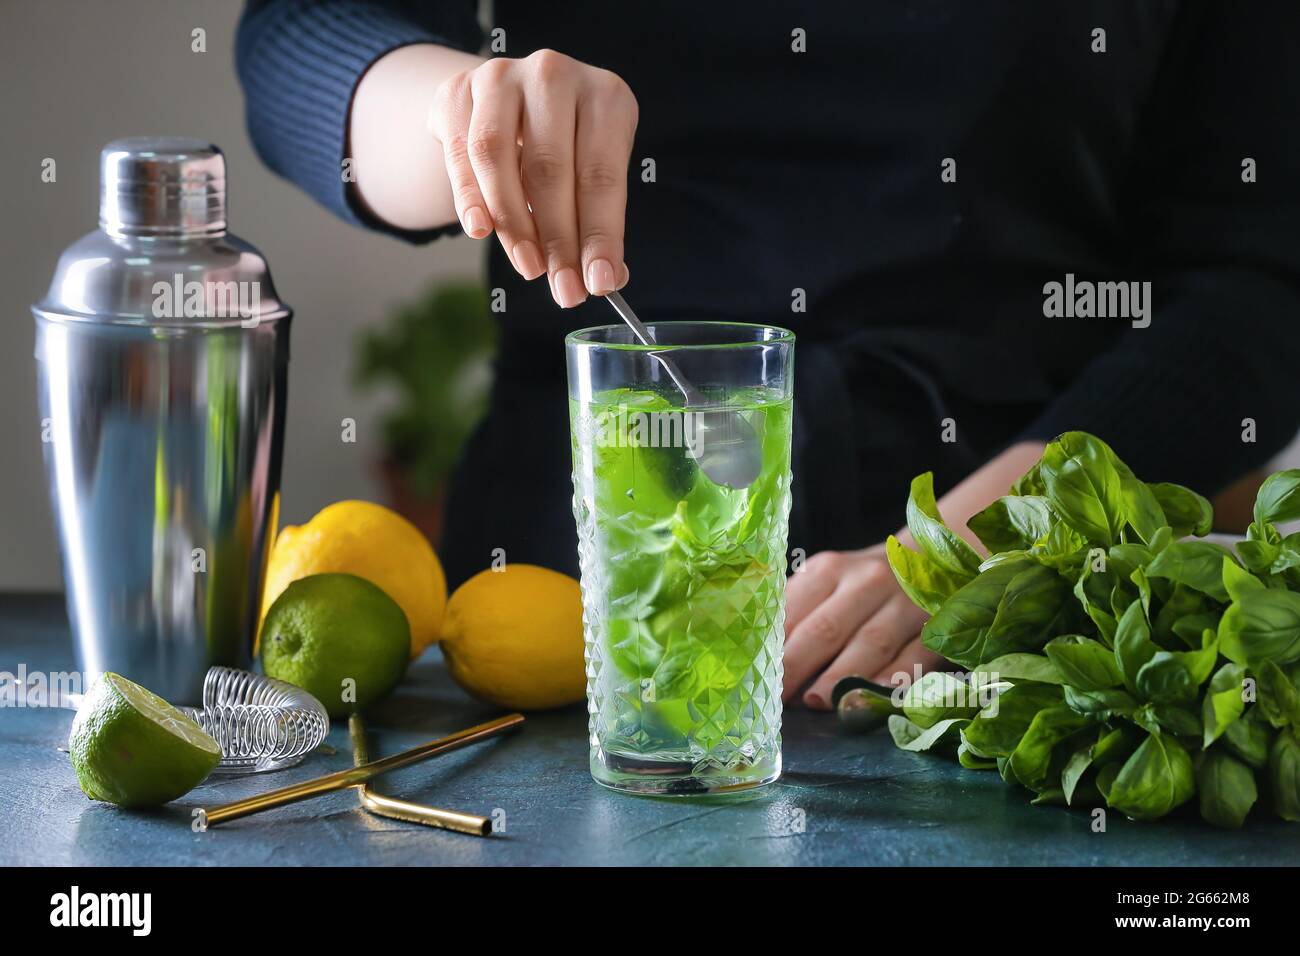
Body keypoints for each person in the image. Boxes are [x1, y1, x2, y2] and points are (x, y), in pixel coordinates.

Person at [236, 1, 1300, 710]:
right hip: (560, 627)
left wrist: (979, 546)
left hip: (1017, 634)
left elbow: (1257, 277)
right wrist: (455, 114)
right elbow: (296, 34)